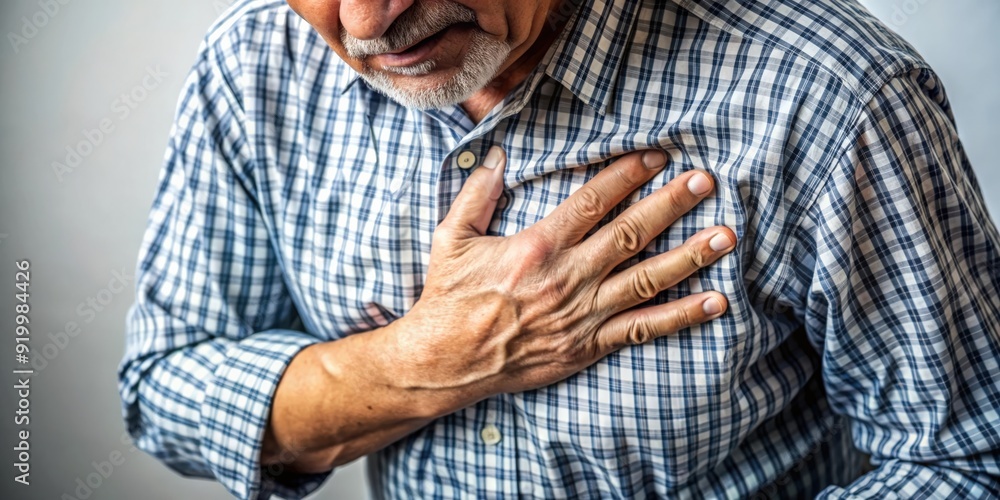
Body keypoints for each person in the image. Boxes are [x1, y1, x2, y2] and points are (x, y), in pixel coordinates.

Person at [118, 0, 1000, 498]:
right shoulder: (254, 67)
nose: (368, 18)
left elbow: (966, 461)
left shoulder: (830, 94)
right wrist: (431, 360)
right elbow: (164, 387)